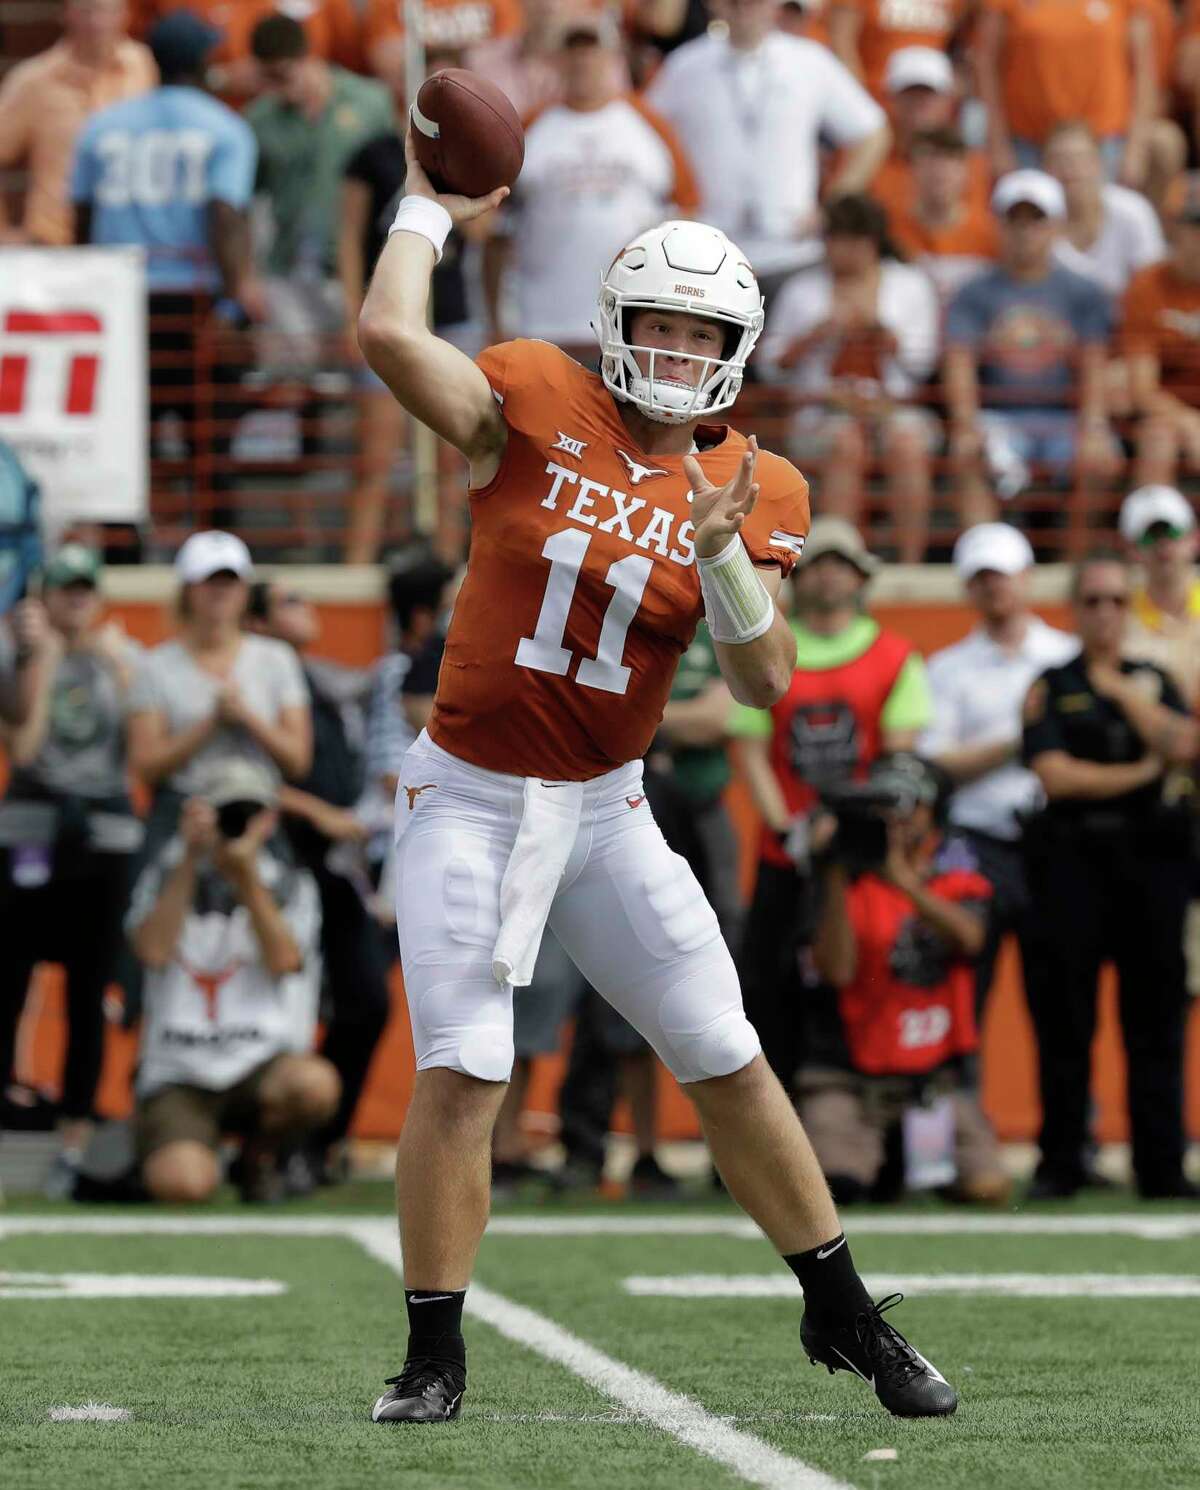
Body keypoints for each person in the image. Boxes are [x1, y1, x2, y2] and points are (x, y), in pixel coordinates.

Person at [356, 136, 956, 1421]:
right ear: (617, 323)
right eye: (659, 326)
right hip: (469, 791)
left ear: (734, 349)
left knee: (725, 1050)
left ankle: (845, 1309)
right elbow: (389, 336)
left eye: (701, 335)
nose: (678, 353)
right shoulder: (533, 394)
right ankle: (434, 1353)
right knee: (466, 1063)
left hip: (605, 806)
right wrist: (424, 209)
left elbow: (762, 681)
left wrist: (722, 554)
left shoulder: (760, 482)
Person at [1020, 549, 1200, 1199]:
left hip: (1154, 861)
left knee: (1156, 1021)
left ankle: (1162, 1166)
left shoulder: (1154, 678)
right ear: (1075, 608)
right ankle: (1062, 1163)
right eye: (1092, 600)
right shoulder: (1051, 684)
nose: (1105, 612)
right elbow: (1056, 776)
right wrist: (1143, 772)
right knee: (1065, 1021)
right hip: (1072, 862)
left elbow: (1185, 744)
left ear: (1130, 609)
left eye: (1117, 601)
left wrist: (1121, 689)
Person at [730, 517, 931, 1094]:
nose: (828, 576)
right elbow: (751, 750)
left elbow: (898, 760)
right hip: (785, 854)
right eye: (817, 563)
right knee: (768, 992)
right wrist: (788, 829)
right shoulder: (770, 650)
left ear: (860, 577)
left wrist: (839, 827)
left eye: (841, 564)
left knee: (865, 987)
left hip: (864, 860)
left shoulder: (894, 655)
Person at [69, 10, 262, 531]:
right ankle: (217, 546)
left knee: (126, 440)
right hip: (194, 299)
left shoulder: (103, 124)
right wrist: (233, 301)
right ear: (201, 62)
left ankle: (123, 550)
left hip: (120, 299)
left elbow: (82, 218)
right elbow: (224, 215)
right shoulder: (225, 127)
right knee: (210, 440)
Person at [128, 762, 339, 1203]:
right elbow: (152, 951)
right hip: (180, 1070)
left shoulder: (290, 883)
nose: (237, 823)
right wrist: (188, 860)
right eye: (227, 811)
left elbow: (285, 960)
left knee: (314, 1085)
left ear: (269, 820)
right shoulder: (166, 872)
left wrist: (246, 878)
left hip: (260, 1064)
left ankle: (257, 1158)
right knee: (183, 1184)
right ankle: (165, 1147)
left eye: (249, 812)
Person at [0, 546, 143, 1186]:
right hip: (31, 826)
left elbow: (142, 755)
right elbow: (24, 747)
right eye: (65, 589)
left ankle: (76, 1134)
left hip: (105, 833)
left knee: (91, 987)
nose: (76, 599)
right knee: (10, 976)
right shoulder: (20, 653)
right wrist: (46, 657)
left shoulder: (125, 656)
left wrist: (118, 668)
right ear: (45, 597)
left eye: (86, 589)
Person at [807, 752, 1008, 1205]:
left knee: (987, 1187)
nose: (897, 818)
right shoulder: (843, 875)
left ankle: (909, 1161)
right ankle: (880, 1164)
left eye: (909, 804)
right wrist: (833, 870)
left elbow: (970, 938)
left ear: (933, 813)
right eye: (884, 806)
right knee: (839, 1187)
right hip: (852, 1080)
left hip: (930, 1082)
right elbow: (837, 970)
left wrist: (901, 878)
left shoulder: (956, 872)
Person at [247, 580, 391, 1185]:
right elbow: (240, 772)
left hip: (336, 867)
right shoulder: (251, 679)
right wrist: (318, 813)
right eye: (289, 602)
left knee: (367, 1002)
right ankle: (265, 1148)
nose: (307, 609)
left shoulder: (321, 683)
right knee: (285, 1013)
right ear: (258, 623)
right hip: (273, 864)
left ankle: (319, 1142)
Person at [919, 523, 1079, 1021]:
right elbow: (937, 763)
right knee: (965, 990)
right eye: (982, 577)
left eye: (1002, 574)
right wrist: (1024, 738)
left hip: (1055, 839)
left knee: (1059, 995)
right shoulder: (947, 668)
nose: (993, 586)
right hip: (974, 842)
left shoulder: (1066, 655)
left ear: (1026, 577)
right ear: (968, 587)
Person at [484, 12, 699, 362]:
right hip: (542, 322)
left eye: (592, 51)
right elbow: (493, 226)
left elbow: (688, 209)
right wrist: (495, 320)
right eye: (573, 52)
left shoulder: (649, 123)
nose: (583, 61)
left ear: (613, 57)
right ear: (556, 61)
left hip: (627, 325)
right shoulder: (530, 127)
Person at [646, 0, 890, 290]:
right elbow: (647, 133)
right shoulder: (686, 65)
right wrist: (675, 203)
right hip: (708, 254)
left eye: (754, 1)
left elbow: (872, 133)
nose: (744, 8)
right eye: (734, 2)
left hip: (791, 249)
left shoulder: (808, 61)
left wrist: (832, 204)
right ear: (716, 5)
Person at [758, 193, 941, 561]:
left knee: (907, 443)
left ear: (872, 243)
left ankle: (910, 563)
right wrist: (814, 337)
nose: (843, 251)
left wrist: (885, 336)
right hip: (821, 412)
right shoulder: (802, 289)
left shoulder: (910, 284)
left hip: (892, 409)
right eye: (836, 240)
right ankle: (839, 561)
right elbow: (769, 366)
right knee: (845, 443)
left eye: (853, 241)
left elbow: (924, 364)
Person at [127, 530, 312, 864]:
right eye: (209, 580)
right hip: (182, 813)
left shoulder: (277, 658)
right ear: (188, 589)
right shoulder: (155, 666)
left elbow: (298, 760)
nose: (220, 591)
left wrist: (247, 717)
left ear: (244, 590)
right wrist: (210, 723)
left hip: (257, 815)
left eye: (230, 580)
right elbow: (146, 767)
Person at [944, 169, 1114, 530]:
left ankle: (1072, 557)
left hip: (1064, 419)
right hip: (998, 417)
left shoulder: (1084, 292)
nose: (1025, 231)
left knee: (1100, 458)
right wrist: (966, 424)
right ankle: (985, 548)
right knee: (968, 453)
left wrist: (1094, 426)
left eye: (1036, 220)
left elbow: (1094, 363)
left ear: (1056, 226)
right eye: (1014, 220)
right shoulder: (971, 292)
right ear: (998, 226)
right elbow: (959, 362)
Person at [248, 12, 394, 375]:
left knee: (361, 380)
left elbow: (394, 179)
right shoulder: (259, 120)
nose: (278, 88)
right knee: (292, 384)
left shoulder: (369, 102)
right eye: (267, 78)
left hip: (358, 267)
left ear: (307, 58)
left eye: (283, 75)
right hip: (289, 269)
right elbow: (248, 202)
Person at [0, 0, 155, 247]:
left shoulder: (144, 68)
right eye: (86, 11)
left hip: (128, 243)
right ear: (66, 14)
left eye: (106, 11)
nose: (96, 22)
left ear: (124, 15)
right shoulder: (33, 81)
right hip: (55, 242)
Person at [975, 0, 1158, 187]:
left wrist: (1136, 148)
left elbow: (1144, 71)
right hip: (1026, 141)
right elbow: (985, 63)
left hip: (1105, 141)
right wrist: (998, 144)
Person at [1122, 176, 1200, 489]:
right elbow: (1142, 389)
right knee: (1158, 440)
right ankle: (1155, 520)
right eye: (1193, 225)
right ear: (1172, 229)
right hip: (1163, 412)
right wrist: (1189, 421)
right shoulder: (1147, 285)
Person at [1044, 121, 1165, 300]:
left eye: (1080, 158)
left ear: (1098, 164)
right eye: (1059, 160)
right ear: (1045, 169)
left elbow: (1152, 282)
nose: (1069, 169)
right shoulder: (1036, 220)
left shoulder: (1134, 210)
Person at [884, 125, 999, 308]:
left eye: (949, 160)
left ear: (966, 172)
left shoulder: (991, 235)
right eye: (929, 159)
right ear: (911, 169)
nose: (939, 170)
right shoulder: (890, 232)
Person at [1117, 484, 1200, 706]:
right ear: (1131, 549)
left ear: (1194, 538)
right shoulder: (1116, 615)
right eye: (1149, 537)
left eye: (1172, 532)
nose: (1162, 544)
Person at [827, 0, 970, 102]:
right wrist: (860, 105)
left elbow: (965, 45)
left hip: (931, 95)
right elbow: (841, 41)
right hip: (873, 98)